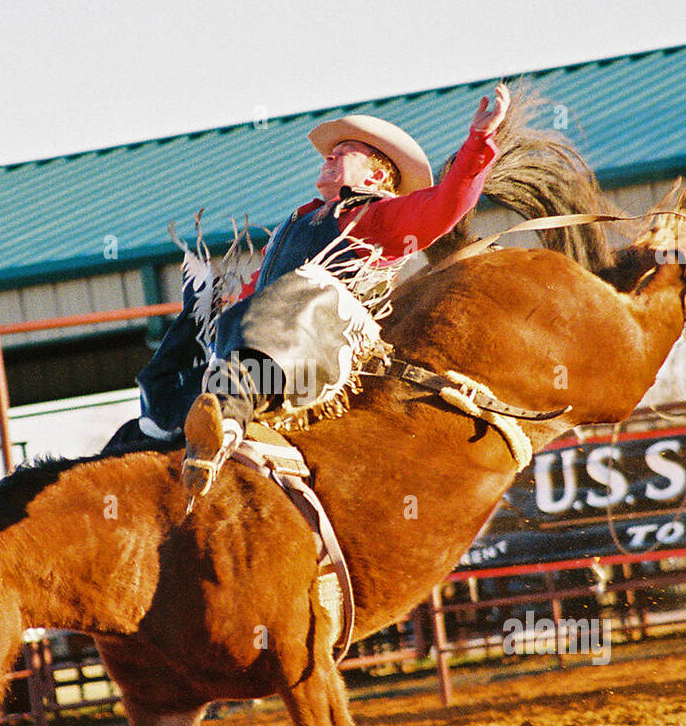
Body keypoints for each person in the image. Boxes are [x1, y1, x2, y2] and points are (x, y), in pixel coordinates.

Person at [131, 86, 511, 498]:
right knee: (183, 356)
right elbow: (257, 295)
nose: (330, 156)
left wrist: (478, 142)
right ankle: (151, 433)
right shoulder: (301, 222)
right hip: (265, 340)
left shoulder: (375, 215)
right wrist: (216, 307)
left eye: (345, 152)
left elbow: (441, 208)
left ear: (377, 176)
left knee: (267, 320)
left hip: (315, 349)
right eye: (332, 151)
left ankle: (225, 425)